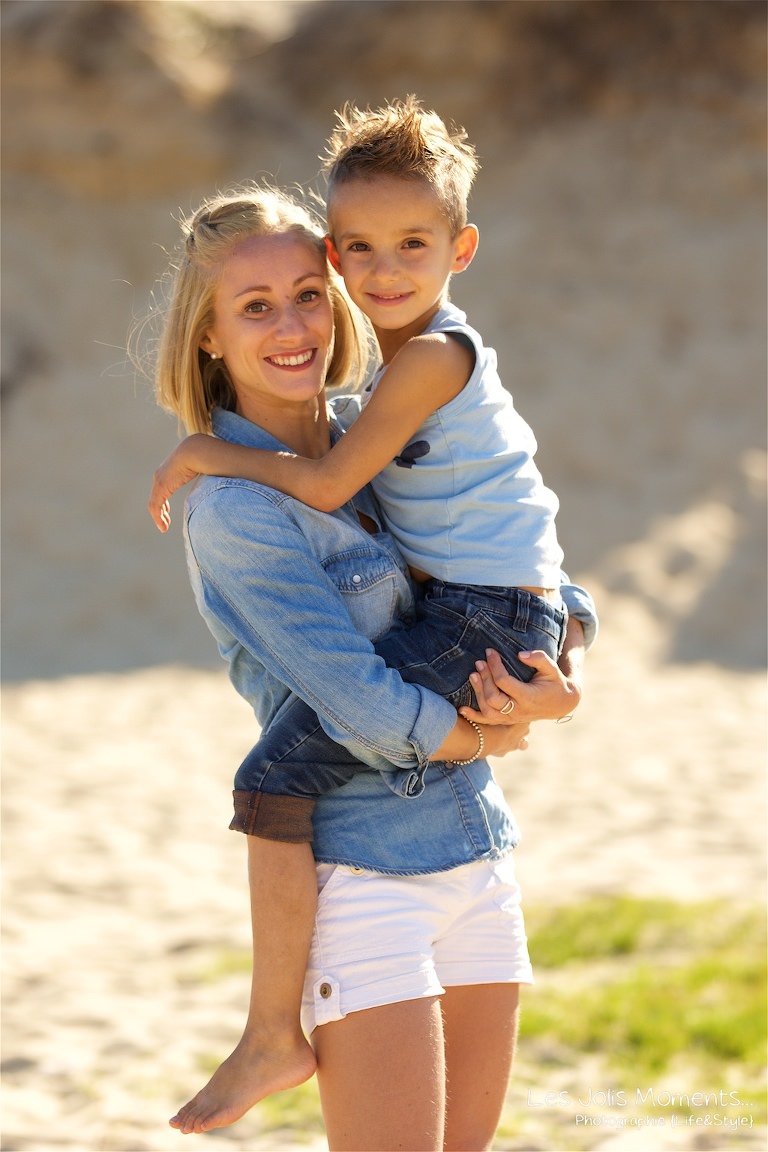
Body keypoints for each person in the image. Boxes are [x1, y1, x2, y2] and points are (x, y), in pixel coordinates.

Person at [144, 181, 597, 1147]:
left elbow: (514, 563)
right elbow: (356, 700)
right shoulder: (234, 510)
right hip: (363, 884)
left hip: (478, 860)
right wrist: (488, 732)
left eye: (309, 291)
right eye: (255, 307)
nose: (293, 324)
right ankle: (270, 1034)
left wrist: (566, 672)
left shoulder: (375, 433)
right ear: (209, 337)